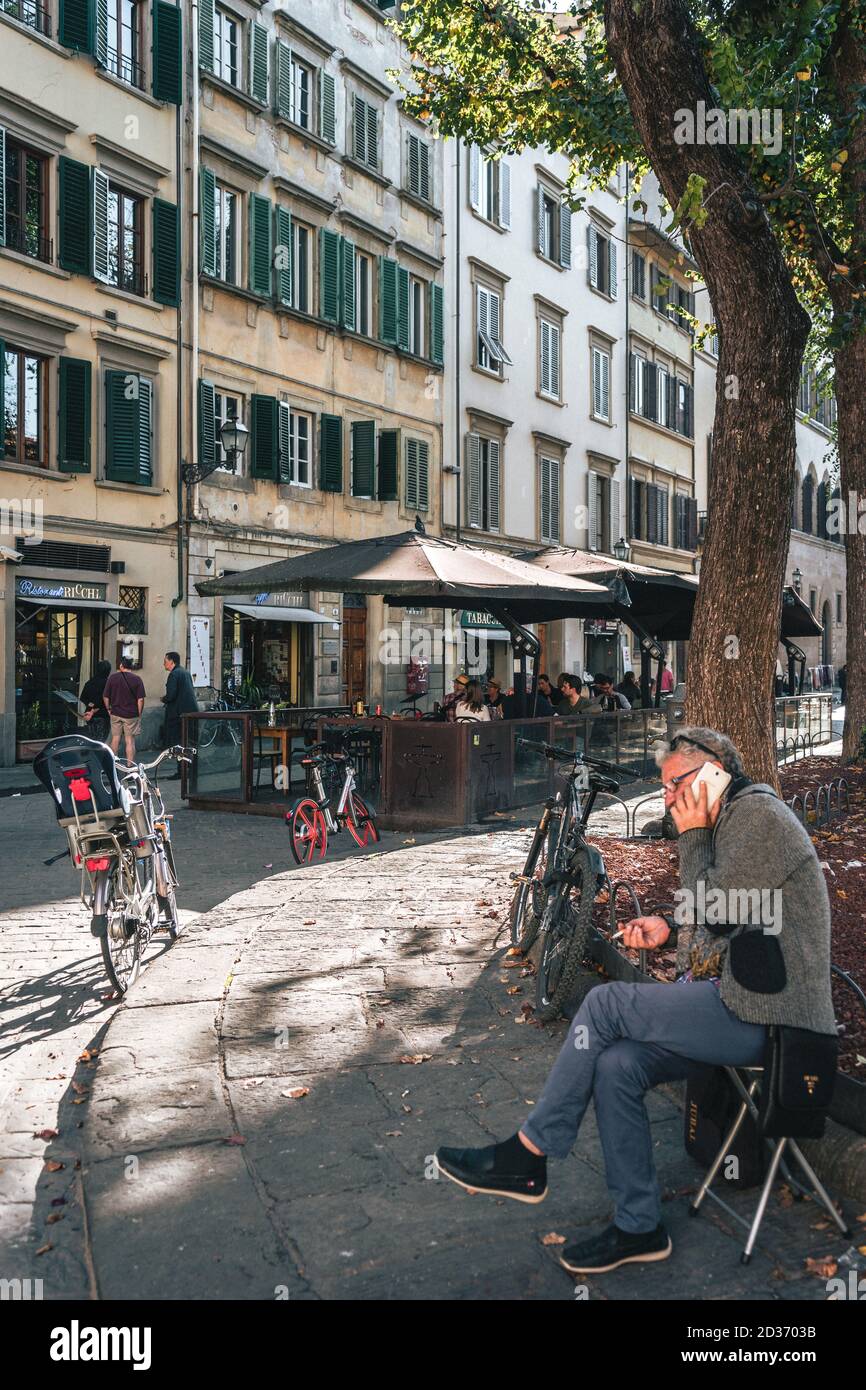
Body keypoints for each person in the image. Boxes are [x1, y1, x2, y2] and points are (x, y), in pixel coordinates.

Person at [434, 727, 836, 1275]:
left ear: (715, 771)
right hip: (737, 1002)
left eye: (677, 783)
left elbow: (716, 908)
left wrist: (691, 836)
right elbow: (735, 911)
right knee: (618, 1064)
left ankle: (527, 1156)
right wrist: (668, 929)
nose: (668, 797)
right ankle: (638, 1226)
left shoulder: (757, 815)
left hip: (776, 1018)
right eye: (666, 786)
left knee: (603, 1006)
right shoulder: (731, 819)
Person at [103, 656, 145, 762]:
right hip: (131, 715)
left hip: (115, 713)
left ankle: (114, 765)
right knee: (129, 741)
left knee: (115, 738)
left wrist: (108, 708)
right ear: (131, 667)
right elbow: (140, 700)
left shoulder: (113, 678)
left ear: (121, 666)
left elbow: (105, 696)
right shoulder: (137, 679)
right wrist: (139, 713)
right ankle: (129, 766)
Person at [162, 651, 198, 773]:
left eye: (165, 661)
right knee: (188, 740)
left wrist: (164, 699)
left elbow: (171, 695)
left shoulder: (174, 674)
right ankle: (190, 768)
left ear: (172, 661)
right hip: (190, 711)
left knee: (179, 741)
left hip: (179, 713)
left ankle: (181, 771)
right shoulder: (185, 672)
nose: (164, 664)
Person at [79, 660, 111, 742]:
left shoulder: (89, 683)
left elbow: (83, 697)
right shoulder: (108, 684)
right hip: (103, 715)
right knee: (101, 740)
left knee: (92, 739)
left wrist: (91, 705)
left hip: (90, 714)